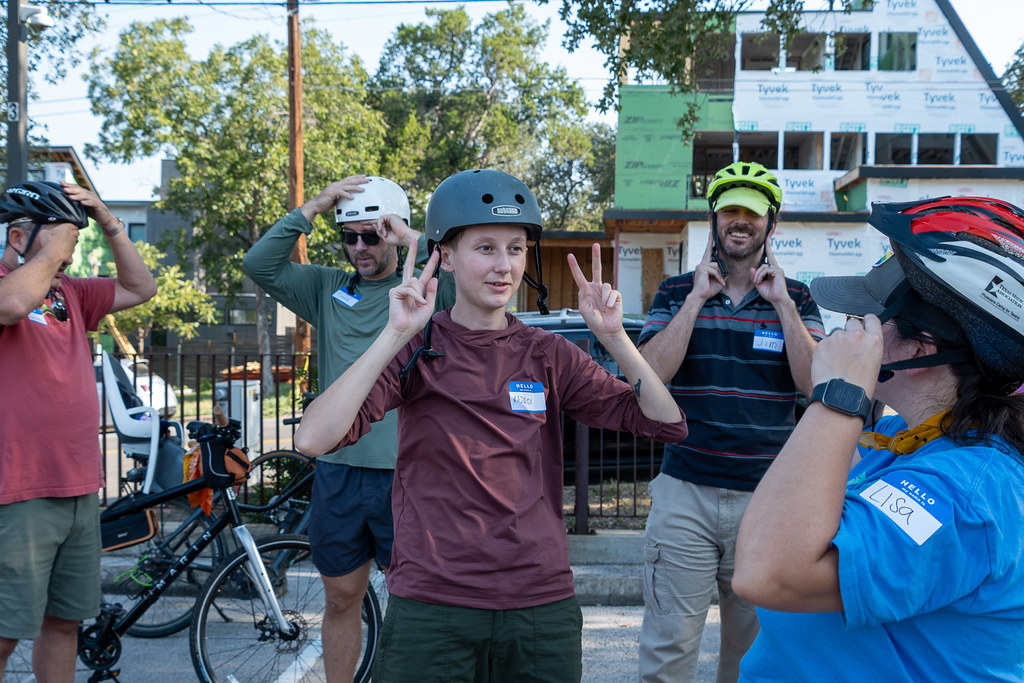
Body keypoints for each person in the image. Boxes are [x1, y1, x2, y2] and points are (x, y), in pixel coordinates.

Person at [292, 168, 690, 682]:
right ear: (447, 257)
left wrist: (616, 339)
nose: (505, 266)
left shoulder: (548, 354)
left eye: (517, 248)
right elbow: (313, 438)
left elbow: (666, 423)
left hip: (539, 606)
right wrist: (393, 335)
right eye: (486, 248)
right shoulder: (418, 346)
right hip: (432, 606)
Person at [733, 196, 1024, 682]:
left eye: (868, 317)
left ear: (922, 348)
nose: (848, 327)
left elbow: (765, 570)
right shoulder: (898, 437)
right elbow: (789, 518)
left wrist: (839, 395)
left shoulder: (965, 494)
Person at [243, 175, 452, 681]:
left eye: (371, 236)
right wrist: (312, 207)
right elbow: (258, 264)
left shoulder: (428, 292)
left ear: (393, 230)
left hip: (405, 474)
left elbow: (460, 267)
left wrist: (410, 239)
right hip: (338, 471)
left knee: (415, 603)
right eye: (349, 237)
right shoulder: (327, 290)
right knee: (340, 599)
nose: (359, 247)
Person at [637, 161, 823, 682]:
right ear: (715, 220)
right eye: (729, 211)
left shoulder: (800, 298)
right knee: (667, 651)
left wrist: (783, 304)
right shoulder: (676, 292)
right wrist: (697, 298)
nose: (739, 221)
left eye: (752, 212)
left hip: (769, 501)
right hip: (684, 496)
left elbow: (814, 386)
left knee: (753, 658)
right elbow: (649, 375)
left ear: (771, 224)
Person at [0, 180, 157, 681]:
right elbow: (9, 307)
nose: (69, 255)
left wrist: (110, 223)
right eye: (64, 241)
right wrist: (47, 254)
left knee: (63, 622)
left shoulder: (68, 291)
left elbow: (140, 288)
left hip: (78, 486)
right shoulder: (11, 285)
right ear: (20, 235)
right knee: (5, 631)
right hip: (17, 490)